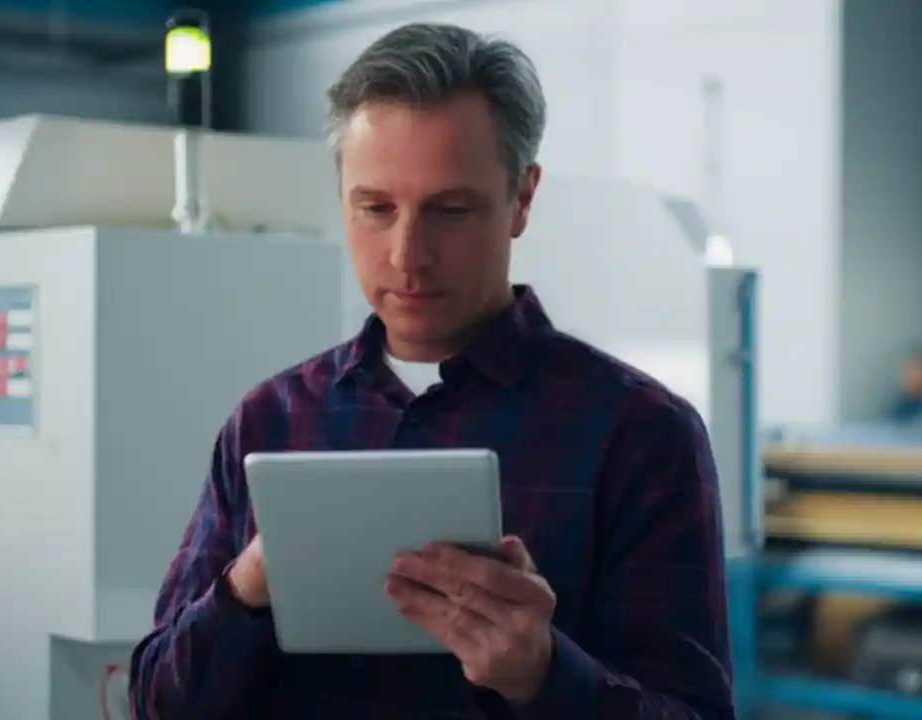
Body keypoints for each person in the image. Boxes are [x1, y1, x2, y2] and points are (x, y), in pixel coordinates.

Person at [129, 22, 735, 720]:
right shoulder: (269, 420)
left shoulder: (640, 436)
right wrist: (249, 585)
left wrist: (544, 675)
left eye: (449, 211)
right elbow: (157, 705)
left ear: (523, 198)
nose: (406, 256)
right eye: (375, 209)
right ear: (340, 195)